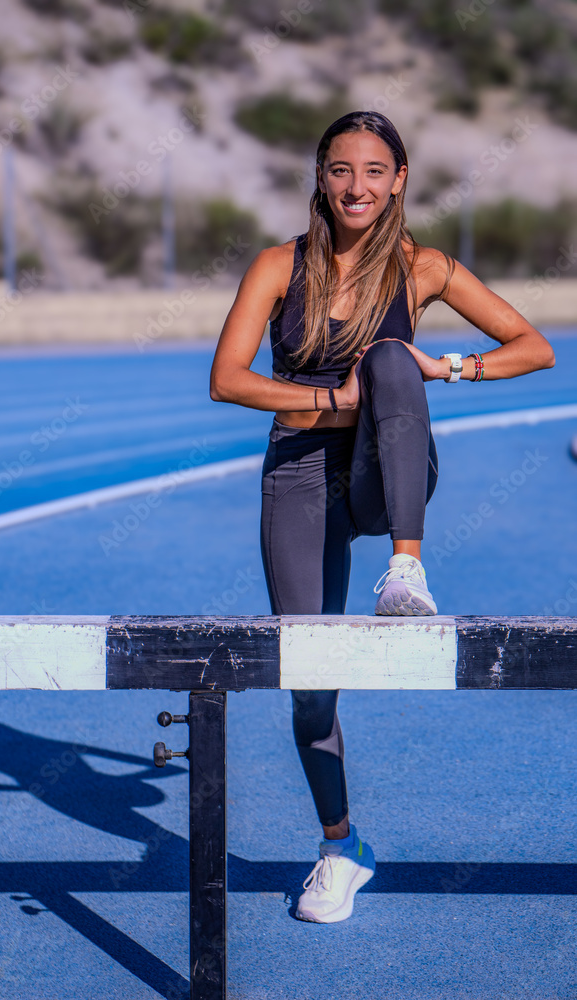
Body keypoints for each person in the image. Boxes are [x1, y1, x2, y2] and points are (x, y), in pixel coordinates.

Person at [209, 110, 555, 923]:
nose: (355, 186)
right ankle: (340, 846)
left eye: (373, 170)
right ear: (320, 178)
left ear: (397, 179)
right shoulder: (276, 266)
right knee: (308, 683)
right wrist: (332, 399)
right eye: (339, 170)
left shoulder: (422, 267)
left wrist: (450, 366)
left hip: (382, 467)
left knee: (395, 360)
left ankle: (406, 565)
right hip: (298, 475)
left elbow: (532, 346)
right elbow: (228, 379)